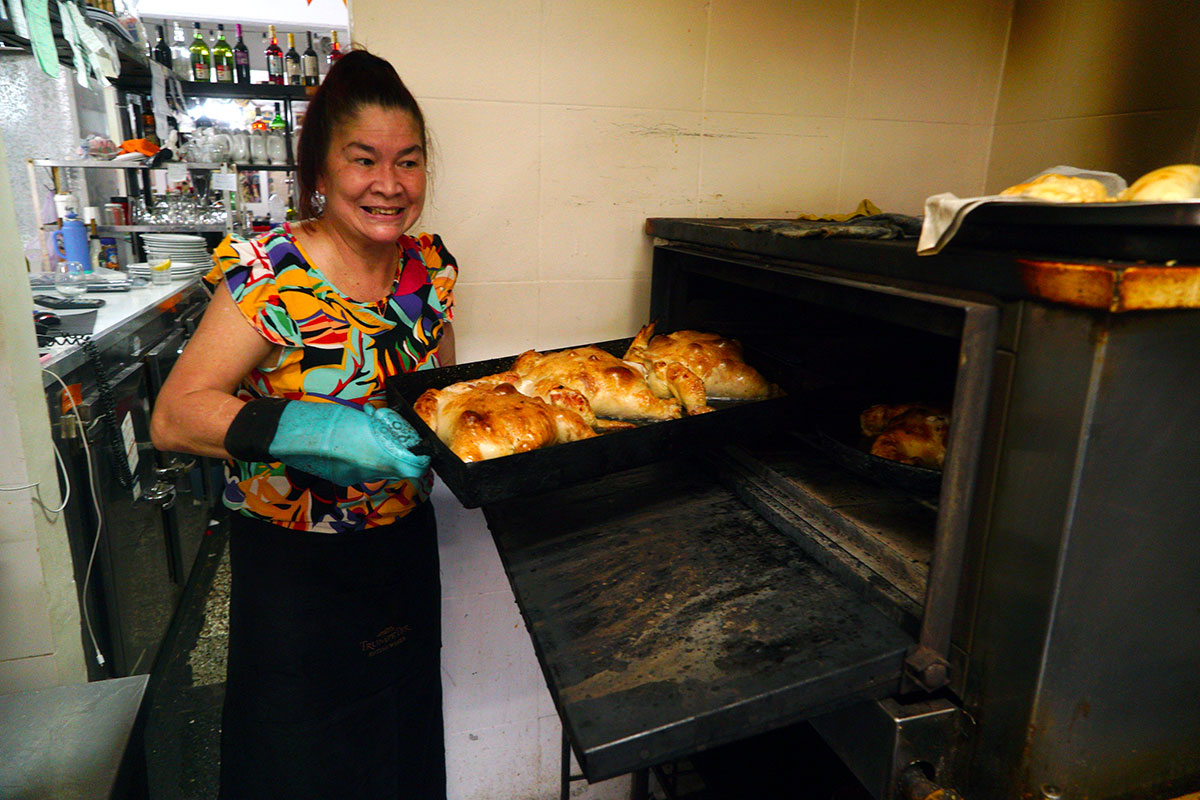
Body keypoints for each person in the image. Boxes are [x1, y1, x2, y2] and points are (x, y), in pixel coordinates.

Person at [150, 49, 455, 800]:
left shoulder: (432, 271)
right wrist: (313, 431)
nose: (390, 185)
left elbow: (442, 395)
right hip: (295, 570)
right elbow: (175, 415)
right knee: (301, 762)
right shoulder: (270, 272)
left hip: (404, 550)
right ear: (319, 170)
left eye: (408, 162)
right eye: (364, 160)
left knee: (400, 741)